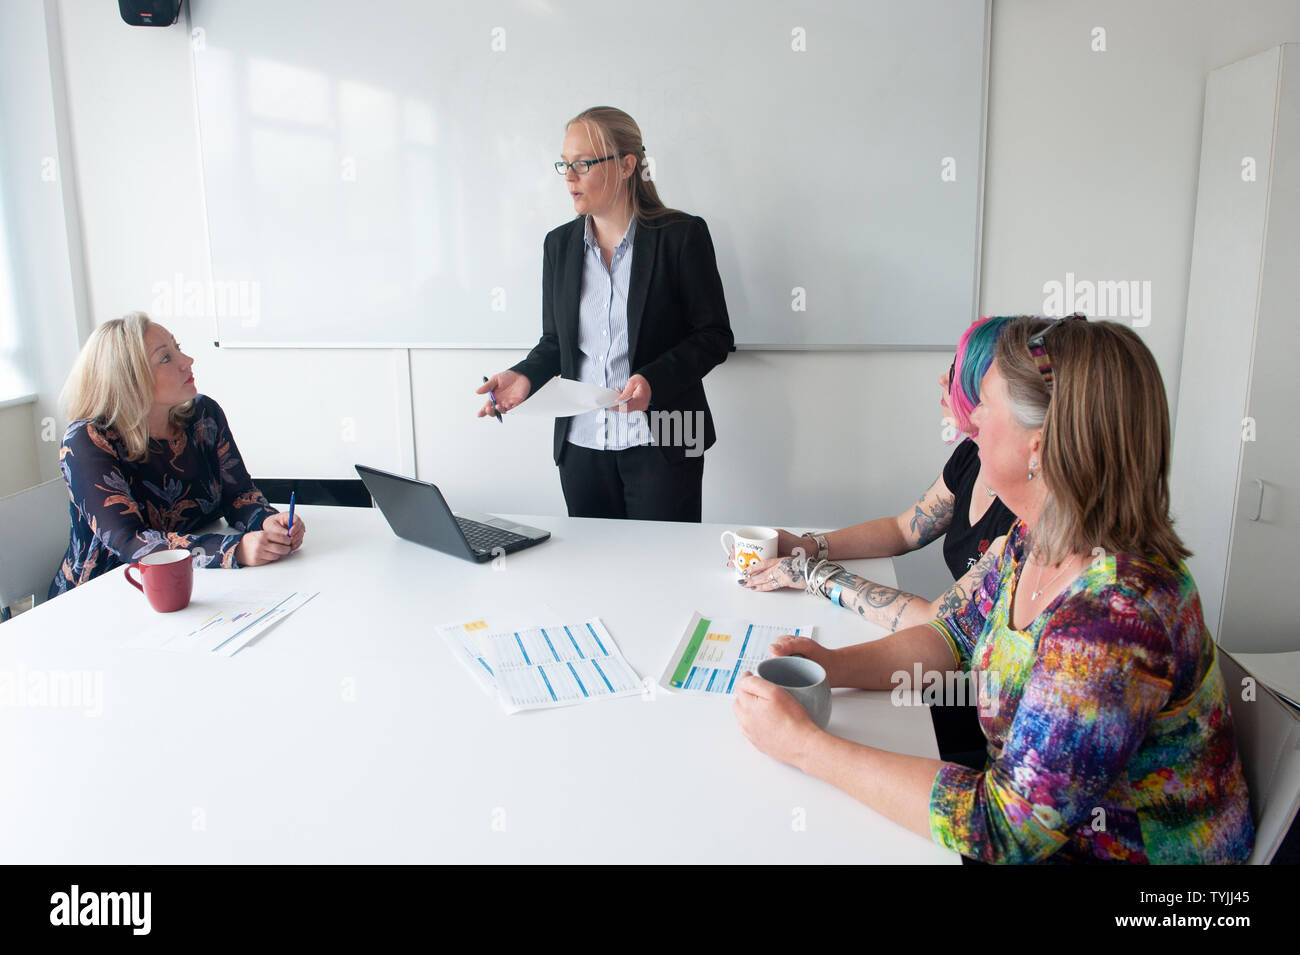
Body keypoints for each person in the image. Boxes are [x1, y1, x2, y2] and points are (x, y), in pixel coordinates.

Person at [734, 316, 1255, 864]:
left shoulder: (1113, 616)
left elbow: (1005, 829)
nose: (971, 417)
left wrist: (807, 747)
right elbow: (949, 638)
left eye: (986, 402)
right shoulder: (1030, 540)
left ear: (1040, 445)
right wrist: (831, 666)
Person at [475, 106, 734, 522]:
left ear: (627, 164)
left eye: (583, 163)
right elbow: (556, 343)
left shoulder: (681, 236)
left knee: (663, 575)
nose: (569, 176)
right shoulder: (558, 245)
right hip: (581, 444)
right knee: (592, 576)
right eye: (565, 163)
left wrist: (653, 380)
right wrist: (523, 376)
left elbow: (714, 335)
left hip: (667, 434)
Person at [739, 315, 1028, 634]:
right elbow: (903, 531)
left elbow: (936, 622)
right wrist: (808, 546)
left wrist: (813, 575)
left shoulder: (1027, 512)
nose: (943, 381)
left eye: (958, 372)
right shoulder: (971, 456)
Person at [49, 312, 304, 598]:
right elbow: (129, 542)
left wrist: (266, 521)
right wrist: (235, 550)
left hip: (195, 583)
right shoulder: (87, 440)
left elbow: (239, 496)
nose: (187, 361)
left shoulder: (204, 415)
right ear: (129, 379)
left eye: (178, 348)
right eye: (166, 358)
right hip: (106, 593)